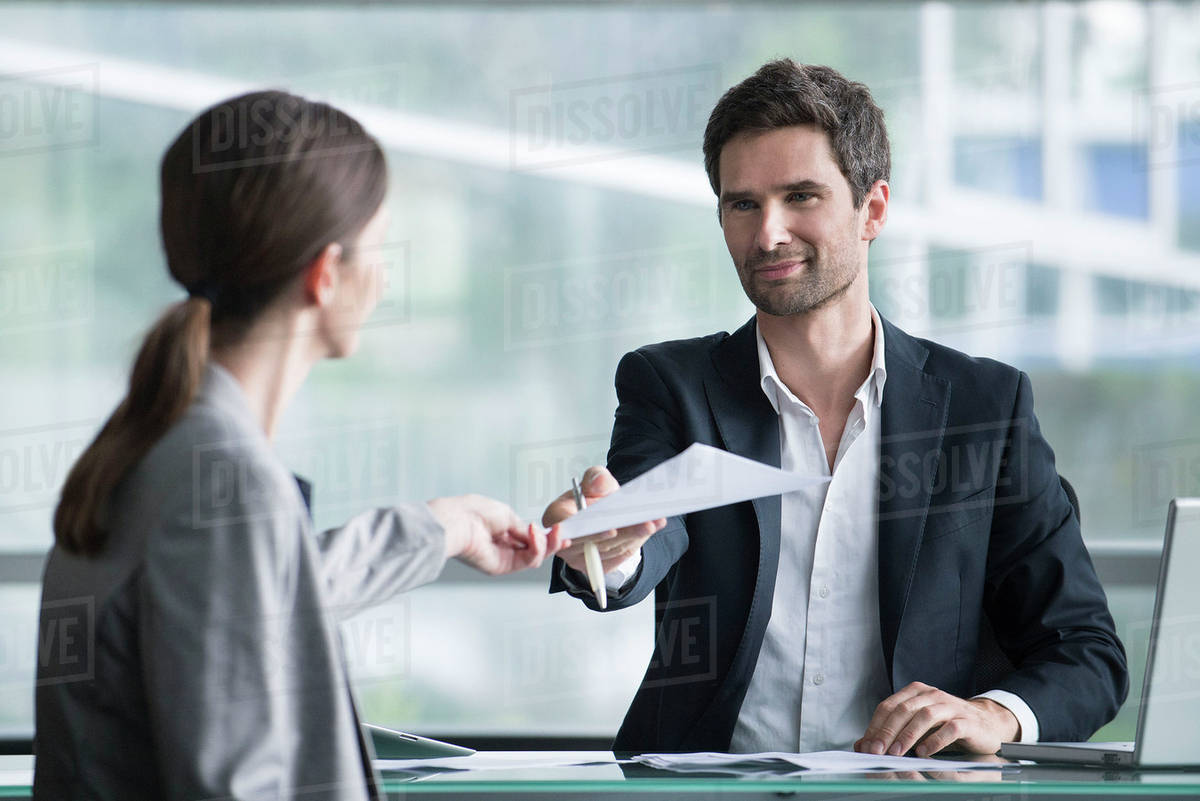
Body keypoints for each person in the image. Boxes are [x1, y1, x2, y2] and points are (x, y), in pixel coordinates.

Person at [545, 60, 1127, 757]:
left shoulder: (985, 406)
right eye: (743, 204)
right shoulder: (669, 383)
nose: (768, 234)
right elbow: (647, 529)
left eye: (801, 197)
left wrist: (993, 714)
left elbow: (1087, 652)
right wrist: (606, 546)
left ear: (872, 209)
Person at [34, 91, 566, 800]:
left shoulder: (164, 441)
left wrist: (447, 527)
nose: (382, 278)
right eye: (376, 251)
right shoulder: (225, 483)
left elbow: (263, 598)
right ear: (324, 274)